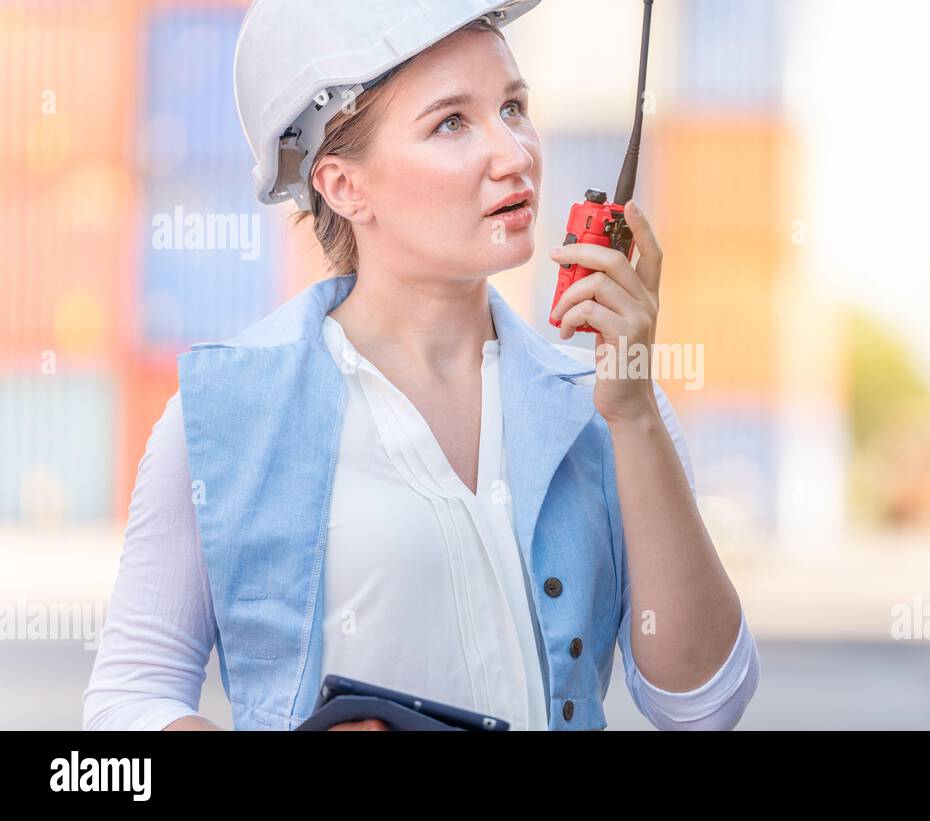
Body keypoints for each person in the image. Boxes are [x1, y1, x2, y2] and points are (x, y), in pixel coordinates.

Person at [83, 0, 758, 731]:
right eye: (451, 123)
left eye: (513, 106)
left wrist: (632, 417)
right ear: (344, 185)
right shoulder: (222, 417)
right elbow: (128, 700)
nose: (514, 154)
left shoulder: (606, 404)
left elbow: (703, 706)